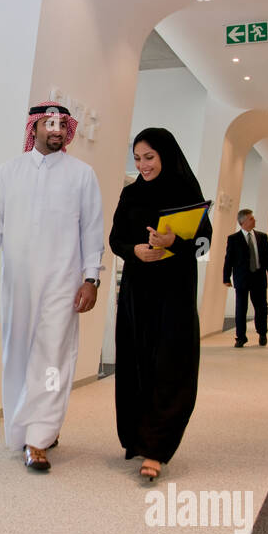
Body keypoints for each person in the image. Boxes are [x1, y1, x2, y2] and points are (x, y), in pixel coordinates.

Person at [0, 101, 105, 472]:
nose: (56, 130)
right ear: (35, 127)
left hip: (63, 282)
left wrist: (92, 278)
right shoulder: (9, 172)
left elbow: (92, 231)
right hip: (18, 284)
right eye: (49, 123)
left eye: (62, 124)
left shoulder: (82, 174)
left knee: (53, 357)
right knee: (19, 356)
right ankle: (23, 429)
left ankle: (38, 438)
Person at [109, 127, 211, 482]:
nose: (143, 165)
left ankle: (157, 448)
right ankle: (138, 439)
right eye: (137, 159)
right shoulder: (132, 194)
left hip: (174, 292)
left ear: (165, 154)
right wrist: (133, 250)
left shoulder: (186, 190)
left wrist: (175, 241)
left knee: (171, 365)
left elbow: (204, 245)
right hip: (138, 291)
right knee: (138, 363)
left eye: (149, 157)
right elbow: (116, 239)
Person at [222, 208, 268, 347]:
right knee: (241, 309)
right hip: (242, 278)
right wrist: (226, 277)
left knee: (261, 307)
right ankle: (241, 337)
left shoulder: (262, 237)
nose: (254, 220)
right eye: (251, 218)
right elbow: (229, 259)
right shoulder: (233, 239)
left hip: (259, 277)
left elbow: (267, 257)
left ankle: (262, 333)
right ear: (243, 221)